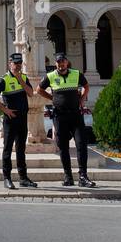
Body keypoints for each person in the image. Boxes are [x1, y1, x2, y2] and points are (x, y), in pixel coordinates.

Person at [38, 52, 94, 188]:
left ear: (67, 62)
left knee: (81, 145)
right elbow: (39, 89)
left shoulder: (76, 73)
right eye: (58, 62)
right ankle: (68, 177)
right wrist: (53, 98)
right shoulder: (50, 76)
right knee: (63, 147)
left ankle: (83, 177)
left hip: (75, 115)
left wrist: (81, 99)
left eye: (63, 62)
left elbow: (86, 86)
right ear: (56, 63)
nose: (61, 64)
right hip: (59, 116)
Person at [0, 53, 37, 190]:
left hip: (22, 119)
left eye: (19, 63)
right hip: (10, 120)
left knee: (21, 149)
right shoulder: (4, 79)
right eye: (15, 63)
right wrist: (4, 109)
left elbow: (31, 93)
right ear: (9, 64)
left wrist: (20, 80)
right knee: (8, 149)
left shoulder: (24, 77)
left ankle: (23, 178)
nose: (17, 66)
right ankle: (7, 178)